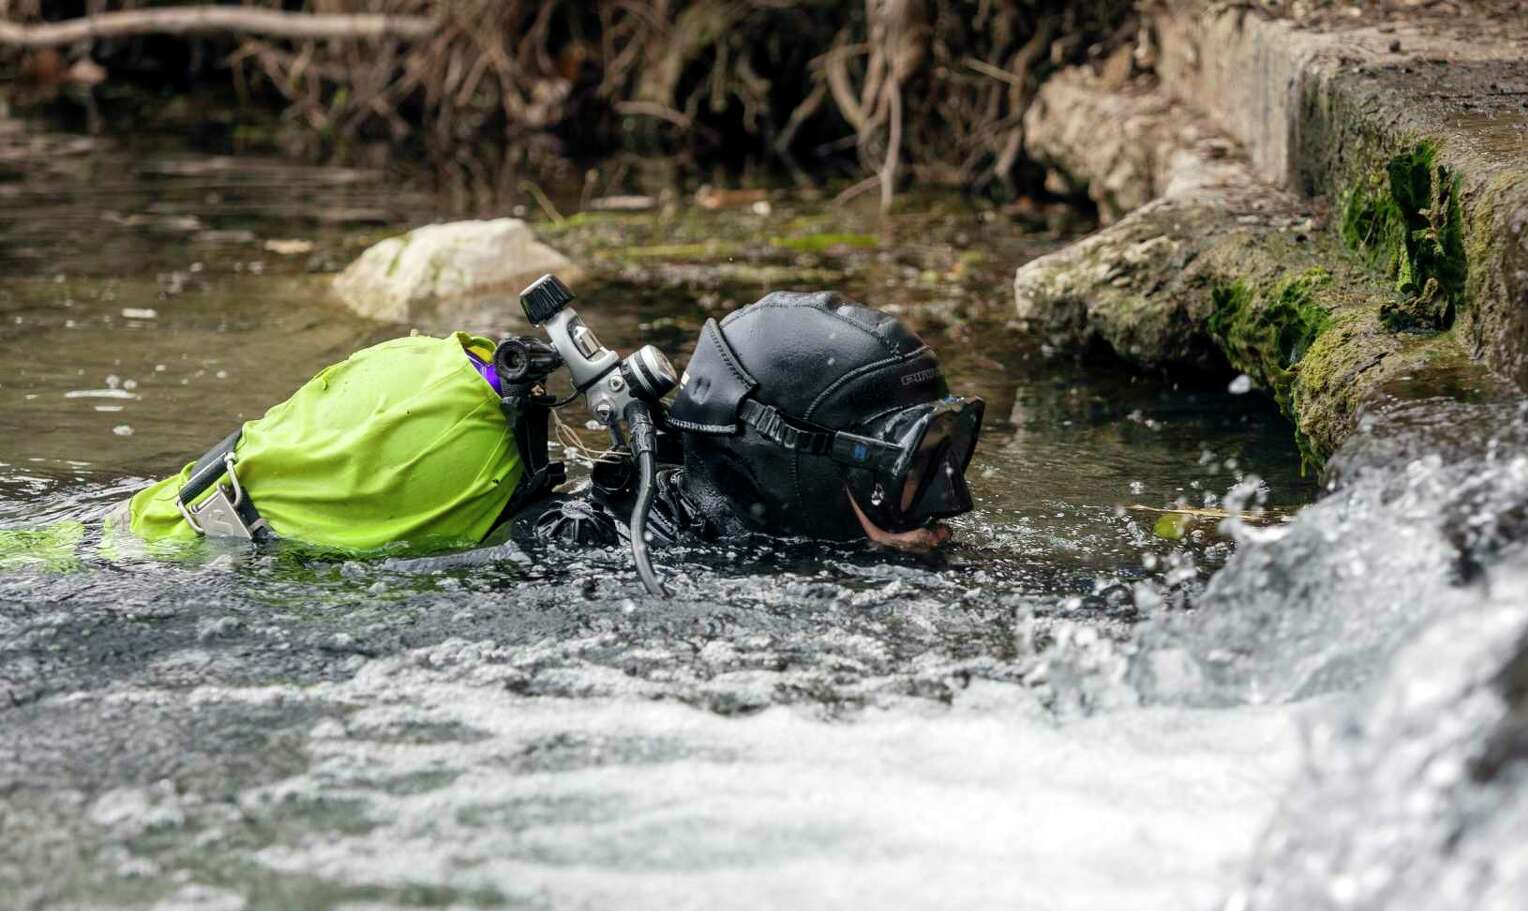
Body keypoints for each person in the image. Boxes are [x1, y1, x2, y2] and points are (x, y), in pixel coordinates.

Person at [4, 290, 982, 574]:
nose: (951, 501)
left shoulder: (708, 538)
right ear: (789, 469)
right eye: (915, 466)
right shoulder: (623, 569)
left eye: (950, 453)